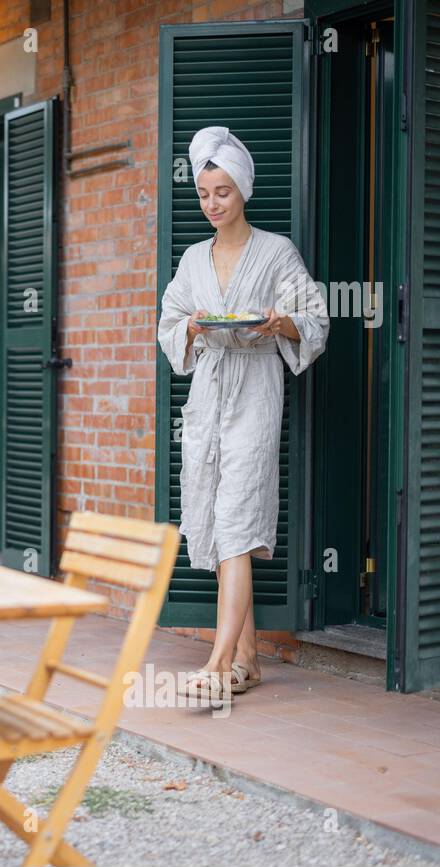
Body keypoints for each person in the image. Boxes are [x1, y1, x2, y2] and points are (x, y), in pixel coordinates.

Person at [156, 126, 329, 705]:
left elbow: (315, 315)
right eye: (204, 193)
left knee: (237, 520)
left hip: (255, 389)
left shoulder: (276, 251)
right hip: (207, 393)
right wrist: (194, 327)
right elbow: (170, 321)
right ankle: (249, 662)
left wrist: (282, 323)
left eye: (222, 192)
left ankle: (217, 659)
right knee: (211, 509)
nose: (212, 203)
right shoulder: (191, 258)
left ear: (243, 190)